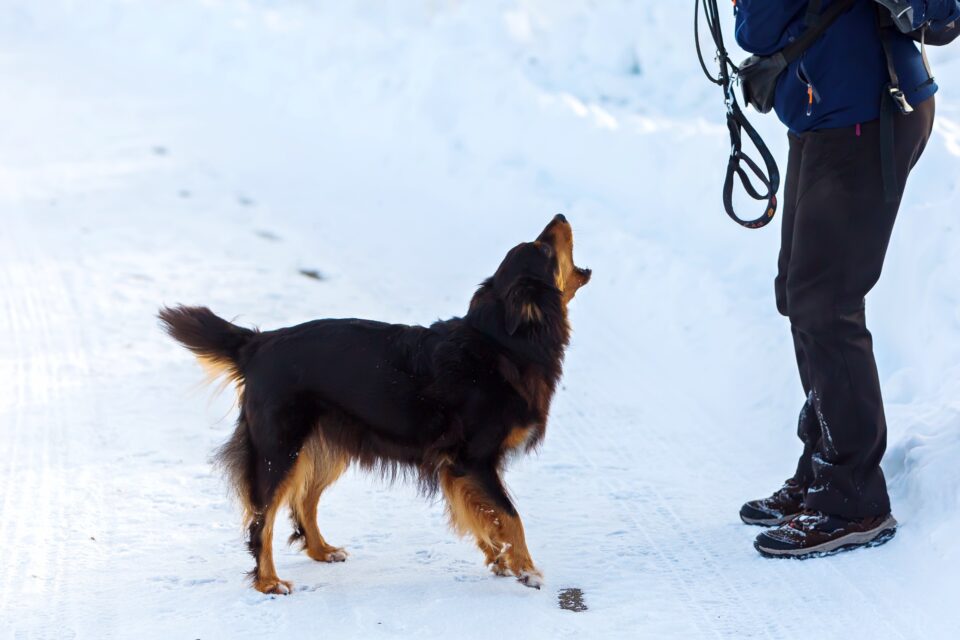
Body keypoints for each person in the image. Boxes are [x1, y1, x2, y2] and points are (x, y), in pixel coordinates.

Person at [733, 0, 960, 558]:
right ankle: (825, 467)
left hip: (863, 113)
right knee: (799, 292)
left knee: (826, 301)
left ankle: (852, 498)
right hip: (831, 109)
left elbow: (756, 29)